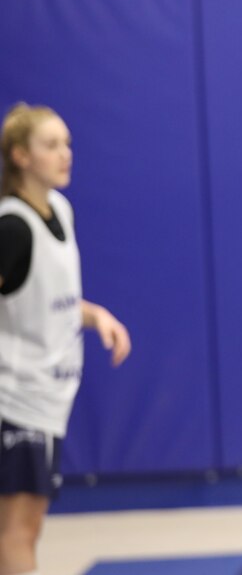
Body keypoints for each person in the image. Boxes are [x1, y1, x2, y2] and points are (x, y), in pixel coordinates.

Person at [0, 102, 131, 575]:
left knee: (24, 527)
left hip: (47, 398)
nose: (65, 154)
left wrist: (97, 317)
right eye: (51, 144)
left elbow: (42, 297)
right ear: (19, 156)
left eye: (68, 143)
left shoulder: (59, 210)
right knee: (18, 530)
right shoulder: (11, 227)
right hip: (15, 401)